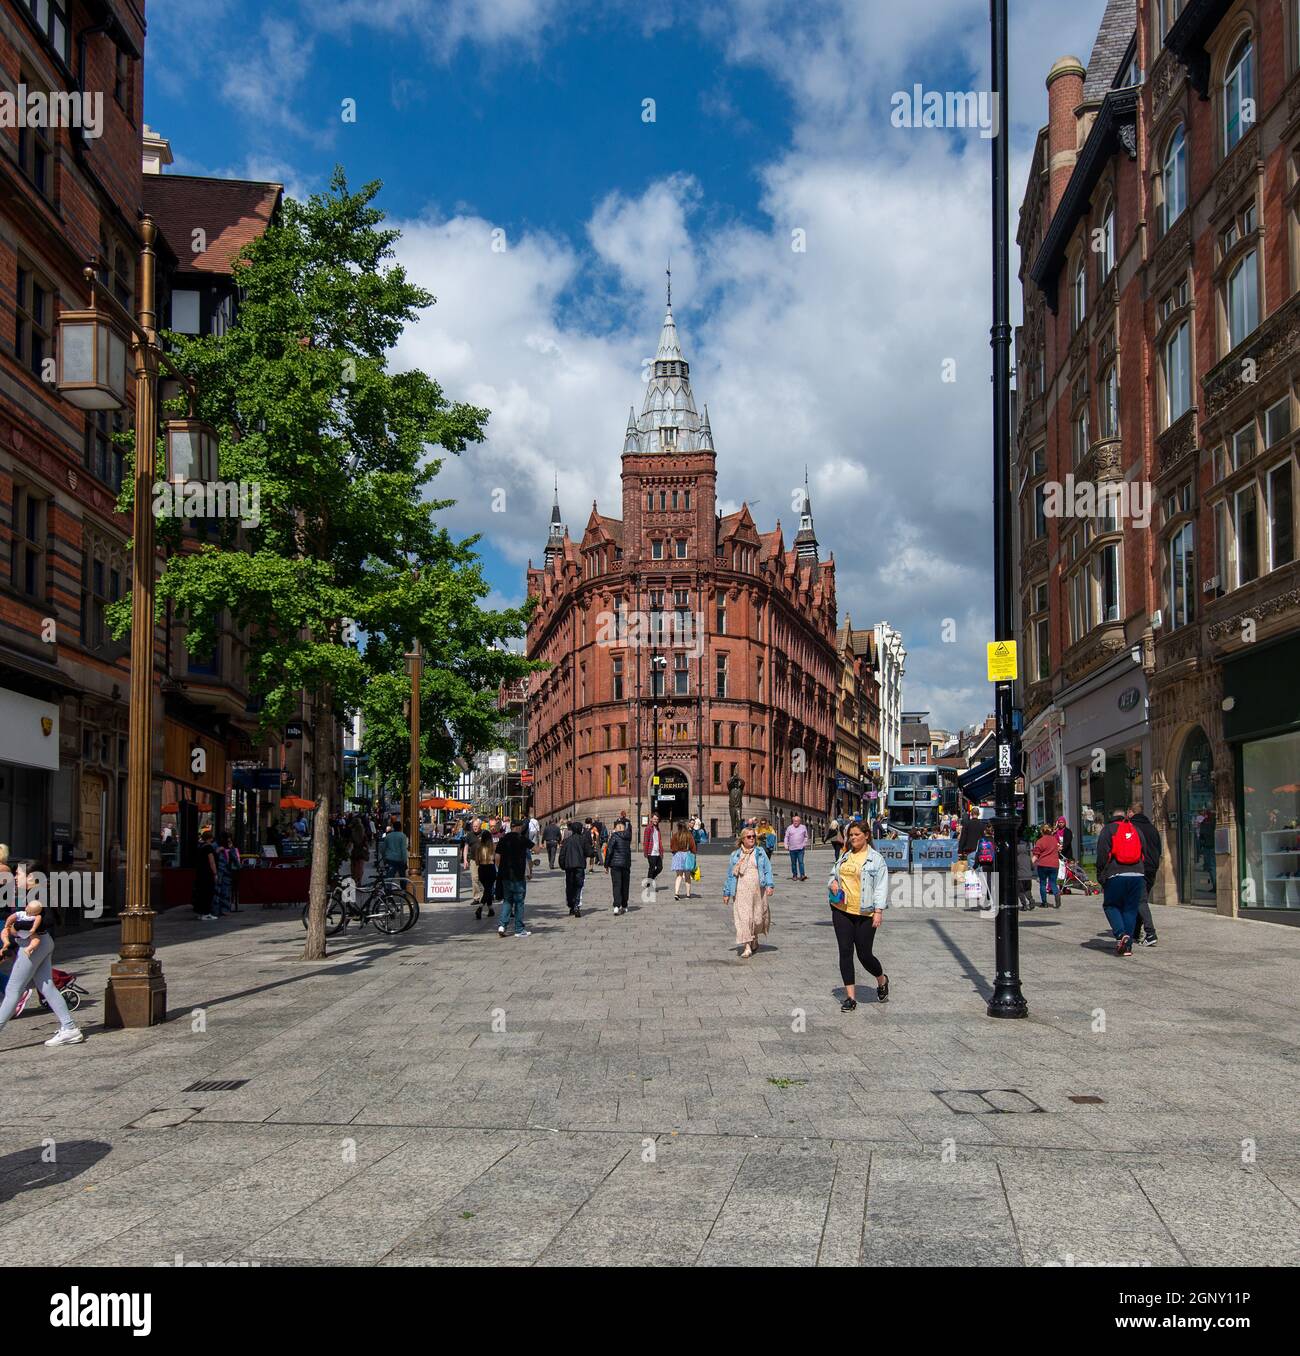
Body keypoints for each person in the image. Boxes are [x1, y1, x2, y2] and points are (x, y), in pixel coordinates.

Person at [0, 866, 84, 1045]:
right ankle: (69, 1029)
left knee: (13, 990)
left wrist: (17, 927)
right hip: (40, 944)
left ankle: (69, 1029)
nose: (15, 876)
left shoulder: (37, 895)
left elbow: (47, 921)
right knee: (46, 987)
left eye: (18, 873)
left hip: (33, 947)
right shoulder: (33, 894)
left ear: (31, 877)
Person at [826, 819, 890, 1011]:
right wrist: (833, 883)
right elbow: (833, 875)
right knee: (845, 952)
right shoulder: (845, 856)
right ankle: (851, 998)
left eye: (857, 835)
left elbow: (881, 887)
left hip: (866, 912)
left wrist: (878, 911)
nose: (853, 838)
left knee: (864, 955)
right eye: (851, 835)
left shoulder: (876, 859)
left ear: (866, 836)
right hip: (841, 910)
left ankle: (881, 979)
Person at [1096, 809, 1146, 956]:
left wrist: (1101, 875)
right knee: (1130, 909)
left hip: (1116, 873)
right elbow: (1144, 850)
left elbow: (1102, 855)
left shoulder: (1108, 830)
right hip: (1137, 874)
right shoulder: (1136, 829)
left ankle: (1120, 934)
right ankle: (1127, 946)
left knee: (1111, 905)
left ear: (1112, 817)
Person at [722, 824, 773, 958]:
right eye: (749, 837)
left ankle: (754, 938)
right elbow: (730, 875)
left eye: (753, 837)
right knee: (744, 918)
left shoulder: (760, 852)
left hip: (758, 890)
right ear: (743, 839)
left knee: (757, 919)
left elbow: (767, 869)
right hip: (740, 890)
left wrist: (770, 885)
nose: (752, 839)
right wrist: (726, 892)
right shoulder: (735, 855)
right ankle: (747, 946)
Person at [1129, 804, 1162, 947]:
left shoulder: (1131, 828)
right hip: (1152, 868)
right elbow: (1159, 848)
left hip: (1139, 867)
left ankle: (1150, 933)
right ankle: (1135, 932)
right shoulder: (1153, 828)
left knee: (1140, 901)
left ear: (1131, 812)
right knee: (1140, 899)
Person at [493, 819, 533, 937]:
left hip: (505, 875)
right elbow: (536, 849)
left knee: (507, 900)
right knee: (519, 902)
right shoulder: (522, 839)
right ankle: (519, 929)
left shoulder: (503, 840)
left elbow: (497, 857)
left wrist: (500, 869)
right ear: (520, 827)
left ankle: (502, 926)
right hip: (518, 875)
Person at [1031, 823, 1062, 908]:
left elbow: (1036, 855)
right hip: (1054, 864)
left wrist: (1031, 864)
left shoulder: (1039, 841)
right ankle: (1057, 894)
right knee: (1053, 883)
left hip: (1043, 864)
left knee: (1043, 884)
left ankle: (1044, 903)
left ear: (1041, 831)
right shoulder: (1054, 840)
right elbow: (1059, 848)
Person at [606, 817, 633, 914]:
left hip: (615, 864)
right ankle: (625, 905)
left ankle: (617, 906)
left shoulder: (614, 836)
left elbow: (609, 851)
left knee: (617, 885)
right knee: (625, 885)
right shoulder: (628, 836)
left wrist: (606, 864)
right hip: (626, 864)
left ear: (616, 827)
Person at [192, 827, 219, 921]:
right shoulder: (208, 847)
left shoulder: (200, 847)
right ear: (210, 838)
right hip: (207, 873)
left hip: (200, 873)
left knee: (201, 892)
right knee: (208, 892)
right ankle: (206, 913)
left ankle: (200, 913)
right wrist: (215, 873)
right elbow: (212, 861)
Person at [214, 831, 240, 915]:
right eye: (227, 839)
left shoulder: (230, 847)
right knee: (217, 890)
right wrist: (217, 851)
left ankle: (224, 909)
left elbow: (236, 860)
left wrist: (231, 849)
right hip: (219, 870)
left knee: (225, 890)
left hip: (227, 871)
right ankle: (216, 910)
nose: (228, 841)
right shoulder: (215, 846)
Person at [473, 829, 496, 921]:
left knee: (487, 889)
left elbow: (477, 861)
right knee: (488, 889)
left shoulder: (478, 847)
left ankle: (491, 909)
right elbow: (495, 858)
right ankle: (480, 907)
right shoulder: (492, 847)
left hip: (482, 869)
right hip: (490, 868)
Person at [669, 822, 696, 899]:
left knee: (679, 876)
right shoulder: (689, 836)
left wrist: (675, 851)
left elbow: (672, 847)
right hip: (687, 855)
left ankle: (676, 893)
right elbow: (693, 847)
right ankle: (688, 894)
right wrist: (693, 856)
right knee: (687, 876)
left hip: (677, 856)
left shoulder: (675, 835)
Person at [379, 816, 408, 881]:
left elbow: (383, 848)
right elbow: (403, 849)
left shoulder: (388, 836)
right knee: (402, 877)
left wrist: (384, 858)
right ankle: (403, 889)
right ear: (400, 828)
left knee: (389, 877)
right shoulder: (402, 836)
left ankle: (388, 889)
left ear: (393, 827)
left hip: (390, 859)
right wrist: (405, 860)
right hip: (400, 859)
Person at [784, 814, 810, 881]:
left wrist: (804, 843)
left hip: (800, 848)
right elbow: (786, 837)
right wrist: (786, 844)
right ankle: (794, 875)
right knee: (793, 863)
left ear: (799, 821)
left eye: (797, 821)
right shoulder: (789, 828)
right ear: (792, 821)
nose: (795, 822)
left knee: (801, 862)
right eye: (794, 821)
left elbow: (806, 837)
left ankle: (802, 875)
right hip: (792, 849)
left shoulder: (803, 827)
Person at [348, 814, 369, 889]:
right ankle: (359, 881)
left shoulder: (352, 833)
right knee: (360, 867)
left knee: (354, 866)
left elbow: (350, 844)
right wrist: (367, 850)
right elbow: (366, 843)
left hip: (355, 851)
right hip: (361, 851)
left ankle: (354, 879)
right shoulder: (363, 833)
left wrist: (347, 850)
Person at [642, 812, 664, 884]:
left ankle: (650, 879)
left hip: (657, 852)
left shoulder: (657, 828)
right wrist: (645, 852)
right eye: (654, 819)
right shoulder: (648, 828)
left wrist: (661, 851)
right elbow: (646, 840)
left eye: (657, 819)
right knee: (651, 868)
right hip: (651, 852)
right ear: (651, 819)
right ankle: (649, 884)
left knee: (660, 868)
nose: (656, 820)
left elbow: (659, 841)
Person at [1016, 832, 1034, 910]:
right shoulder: (1028, 857)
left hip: (1020, 877)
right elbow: (1032, 867)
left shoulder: (1017, 858)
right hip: (1029, 877)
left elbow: (1016, 867)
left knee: (1020, 892)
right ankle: (1031, 900)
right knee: (1028, 890)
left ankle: (1024, 905)